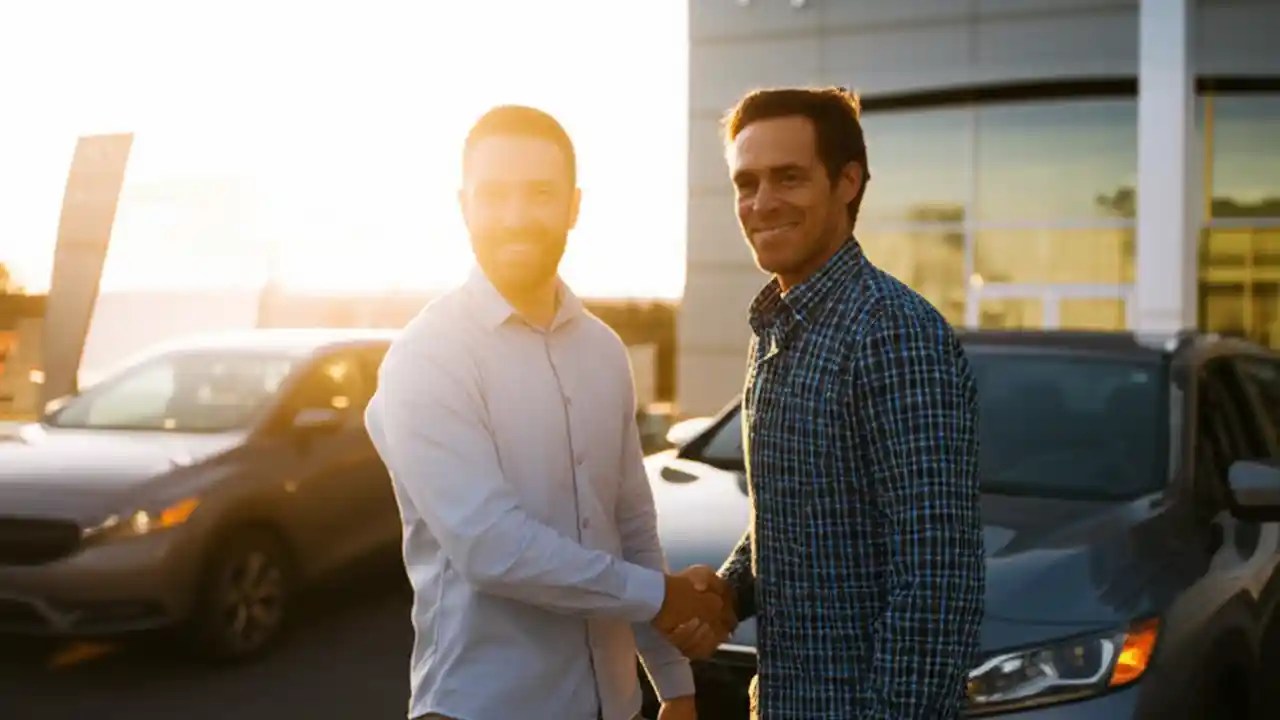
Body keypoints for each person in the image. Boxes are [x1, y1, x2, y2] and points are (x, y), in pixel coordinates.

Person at [364, 105, 730, 720]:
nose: (516, 216)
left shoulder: (604, 350)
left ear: (573, 206)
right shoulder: (427, 355)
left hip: (615, 706)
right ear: (463, 206)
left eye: (539, 193)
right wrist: (662, 596)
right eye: (494, 194)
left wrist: (674, 684)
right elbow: (491, 546)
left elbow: (630, 525)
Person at [675, 87, 985, 717]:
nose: (762, 202)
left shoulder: (892, 333)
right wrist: (729, 593)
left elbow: (936, 577)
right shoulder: (778, 329)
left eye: (788, 177)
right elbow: (799, 519)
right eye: (746, 183)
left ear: (848, 182)